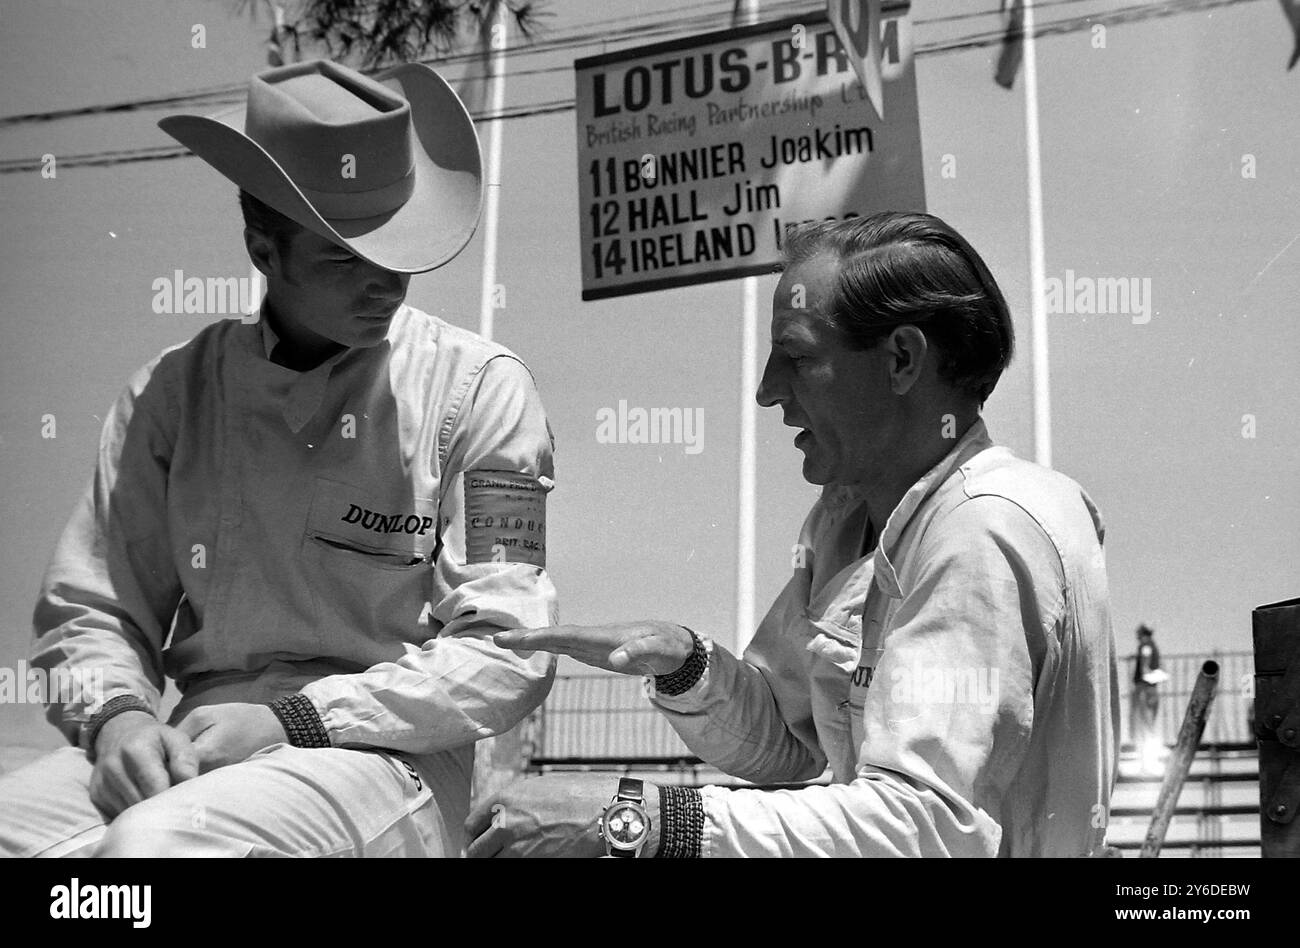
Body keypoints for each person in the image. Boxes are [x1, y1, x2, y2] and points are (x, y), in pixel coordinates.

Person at [0, 59, 557, 857]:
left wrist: (294, 719)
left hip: (383, 759)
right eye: (343, 258)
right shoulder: (172, 394)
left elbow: (505, 650)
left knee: (155, 851)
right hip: (198, 741)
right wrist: (118, 716)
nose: (387, 284)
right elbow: (97, 608)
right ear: (264, 248)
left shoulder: (480, 391)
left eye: (398, 246)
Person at [467, 212, 1120, 858]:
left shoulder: (983, 528)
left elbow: (923, 827)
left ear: (901, 359)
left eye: (798, 358)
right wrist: (687, 663)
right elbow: (795, 740)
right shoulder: (851, 518)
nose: (767, 391)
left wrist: (630, 819)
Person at [1131, 624, 1164, 773]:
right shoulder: (1153, 646)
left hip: (1145, 688)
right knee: (1149, 724)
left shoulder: (1145, 646)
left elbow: (1145, 660)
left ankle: (1147, 764)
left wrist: (1144, 678)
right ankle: (1149, 762)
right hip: (1152, 689)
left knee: (1143, 725)